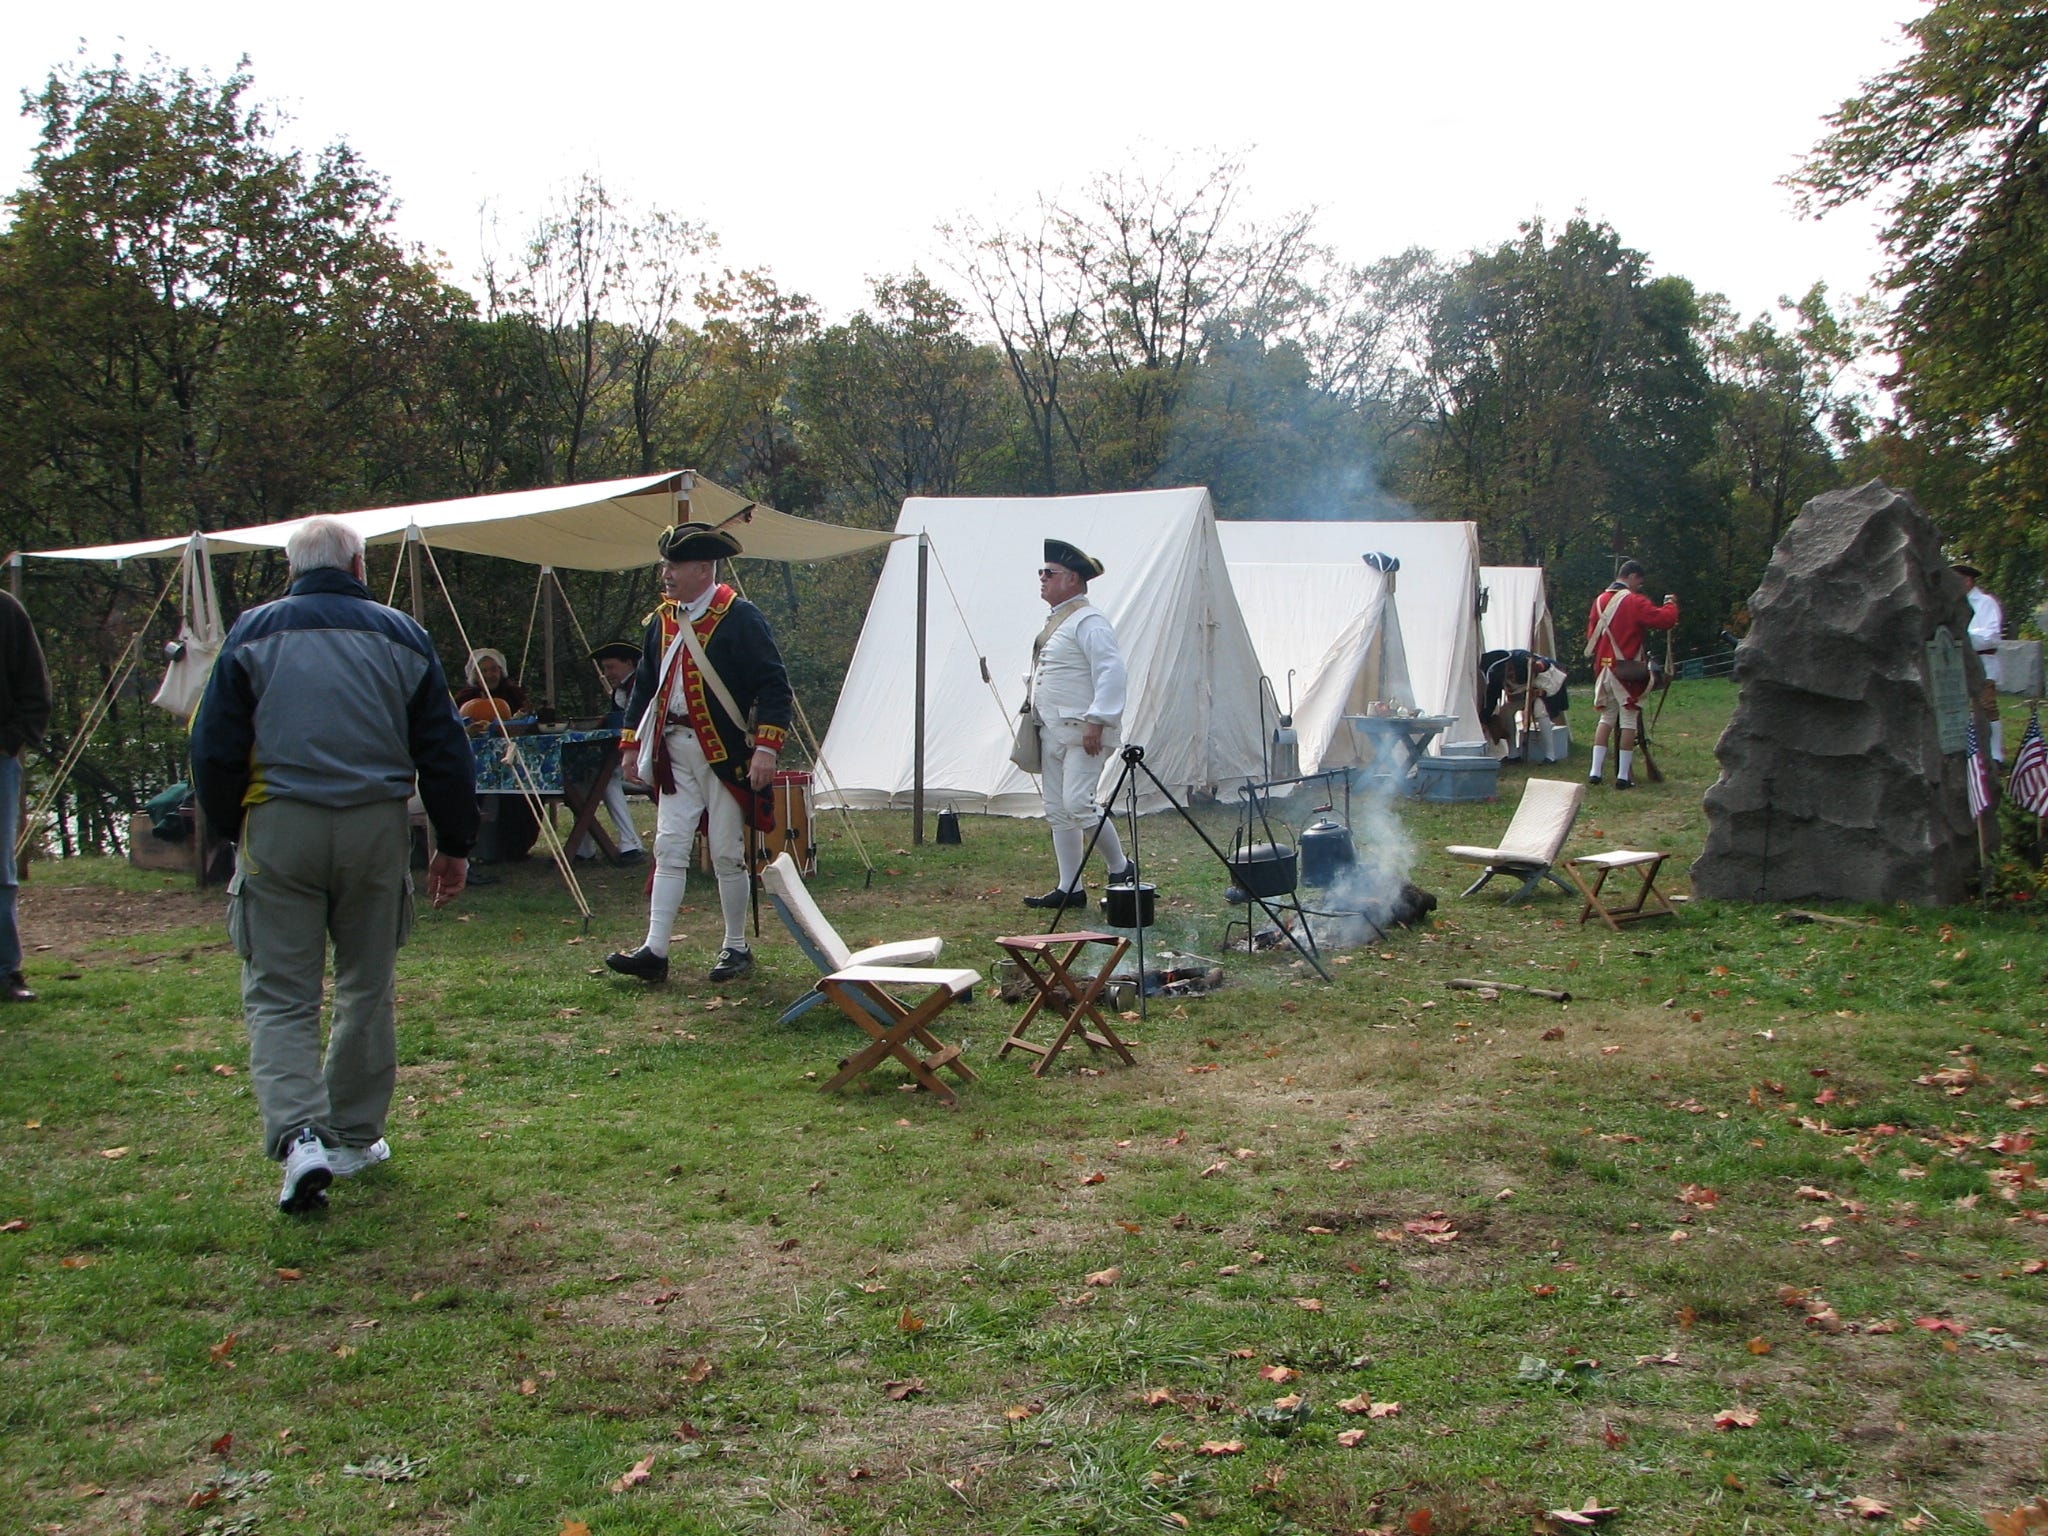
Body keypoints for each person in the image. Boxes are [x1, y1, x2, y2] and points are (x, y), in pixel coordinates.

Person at [192, 516, 477, 1215]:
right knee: (365, 984)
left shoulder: (253, 633)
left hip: (279, 823)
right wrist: (455, 843)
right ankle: (352, 1135)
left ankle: (298, 1139)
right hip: (375, 826)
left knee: (280, 992)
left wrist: (232, 830)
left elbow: (214, 746)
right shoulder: (402, 635)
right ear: (359, 566)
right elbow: (443, 747)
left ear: (291, 569)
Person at [606, 522, 791, 984]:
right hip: (674, 751)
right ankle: (655, 950)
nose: (666, 573)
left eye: (675, 565)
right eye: (666, 564)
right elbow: (645, 685)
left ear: (704, 568)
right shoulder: (663, 619)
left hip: (724, 753)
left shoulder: (740, 617)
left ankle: (735, 946)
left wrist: (766, 748)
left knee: (727, 852)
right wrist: (631, 743)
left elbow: (774, 685)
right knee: (669, 847)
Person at [1022, 539, 1138, 908]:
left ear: (1072, 579)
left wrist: (1099, 720)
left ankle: (1121, 867)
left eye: (1049, 573)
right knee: (1058, 809)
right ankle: (1070, 888)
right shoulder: (1061, 621)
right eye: (1042, 571)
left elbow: (1111, 670)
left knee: (1078, 804)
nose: (1042, 578)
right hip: (1054, 728)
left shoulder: (1089, 622)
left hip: (1083, 731)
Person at [1584, 559, 1678, 791]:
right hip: (1626, 669)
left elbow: (1591, 637)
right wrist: (1672, 605)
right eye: (1639, 582)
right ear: (1633, 576)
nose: (1639, 587)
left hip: (1603, 667)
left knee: (1606, 719)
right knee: (1627, 721)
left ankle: (1595, 772)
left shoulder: (1599, 601)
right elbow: (1664, 620)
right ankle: (1623, 776)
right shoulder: (1633, 601)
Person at [0, 591, 51, 1003]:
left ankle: (5, 971)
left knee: (0, 873)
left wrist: (12, 741)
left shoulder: (6, 610)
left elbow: (35, 687)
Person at [570, 642, 646, 863]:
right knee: (584, 777)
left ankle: (631, 844)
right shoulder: (620, 691)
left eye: (611, 667)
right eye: (605, 668)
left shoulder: (641, 687)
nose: (607, 674)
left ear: (629, 664)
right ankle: (583, 847)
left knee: (606, 777)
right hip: (626, 756)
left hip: (645, 758)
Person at [1955, 563, 2005, 764]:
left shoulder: (1985, 603)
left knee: (1986, 706)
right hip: (1959, 663)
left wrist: (1964, 637)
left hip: (1983, 662)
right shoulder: (1954, 603)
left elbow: (1992, 636)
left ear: (1968, 580)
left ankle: (1995, 754)